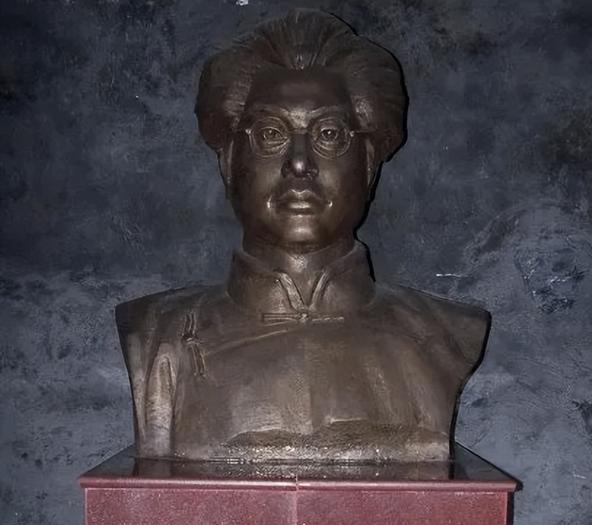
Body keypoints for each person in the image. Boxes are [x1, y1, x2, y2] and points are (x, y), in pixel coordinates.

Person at [116, 9, 489, 462]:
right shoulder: (156, 336)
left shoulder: (446, 335)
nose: (299, 163)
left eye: (329, 133)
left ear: (369, 163)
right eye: (271, 134)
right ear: (229, 162)